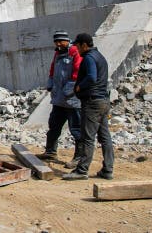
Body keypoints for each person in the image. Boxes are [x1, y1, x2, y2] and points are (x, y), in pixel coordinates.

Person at [62, 33, 114, 181]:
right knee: (105, 137)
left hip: (92, 102)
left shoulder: (89, 58)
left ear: (84, 45)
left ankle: (82, 170)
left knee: (87, 138)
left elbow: (91, 77)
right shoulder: (99, 56)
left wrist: (79, 88)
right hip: (103, 101)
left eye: (78, 46)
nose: (76, 49)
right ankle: (108, 170)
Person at [36, 30, 83, 168]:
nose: (58, 44)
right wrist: (51, 84)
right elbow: (52, 70)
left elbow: (77, 74)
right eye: (56, 41)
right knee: (54, 126)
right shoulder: (58, 53)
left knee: (76, 129)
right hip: (59, 100)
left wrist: (68, 91)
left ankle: (79, 157)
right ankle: (50, 151)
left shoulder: (75, 52)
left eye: (60, 41)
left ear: (67, 40)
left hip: (72, 100)